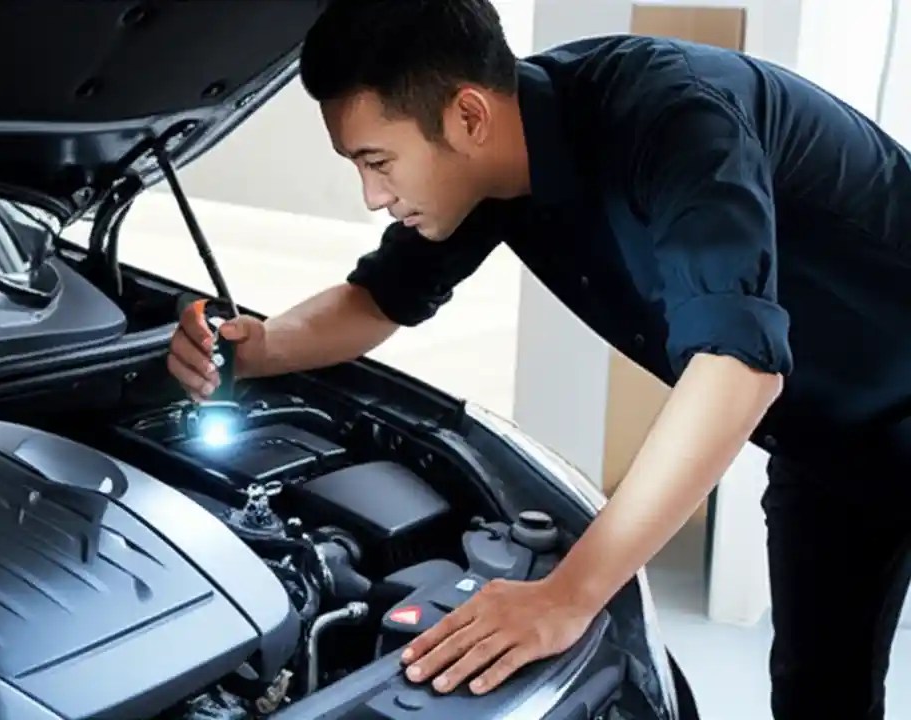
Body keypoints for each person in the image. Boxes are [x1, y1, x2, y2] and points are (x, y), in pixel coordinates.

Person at [165, 1, 911, 717]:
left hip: (872, 399)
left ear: (467, 116)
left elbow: (737, 368)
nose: (372, 195)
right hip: (829, 444)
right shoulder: (490, 166)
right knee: (821, 695)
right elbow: (376, 300)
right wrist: (260, 347)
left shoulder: (674, 118)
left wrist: (569, 593)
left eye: (378, 160)